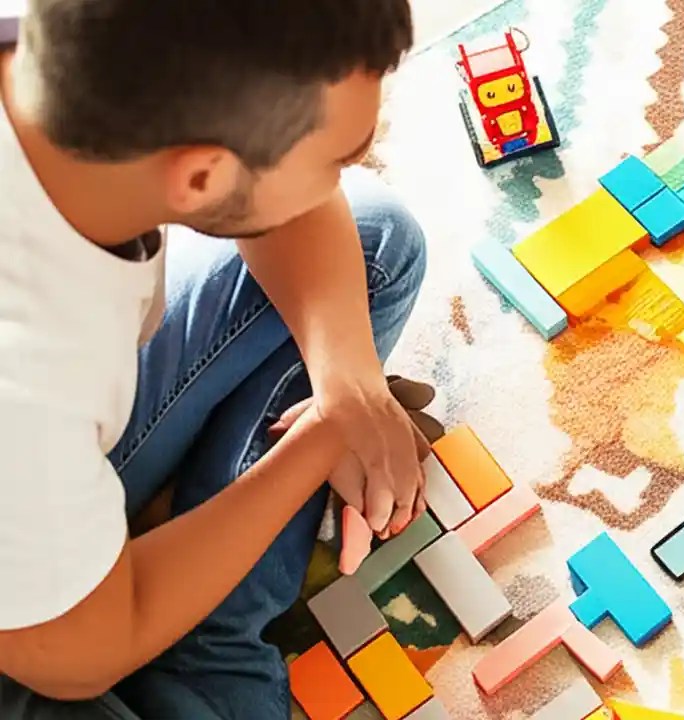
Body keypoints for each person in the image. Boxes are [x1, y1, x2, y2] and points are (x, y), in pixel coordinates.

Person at [0, 1, 433, 718]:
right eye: (334, 161)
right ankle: (209, 659)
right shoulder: (26, 391)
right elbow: (84, 654)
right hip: (44, 638)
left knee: (373, 243)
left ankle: (194, 620)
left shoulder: (52, 55)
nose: (342, 175)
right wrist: (324, 433)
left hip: (47, 489)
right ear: (199, 176)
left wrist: (352, 388)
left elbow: (296, 212)